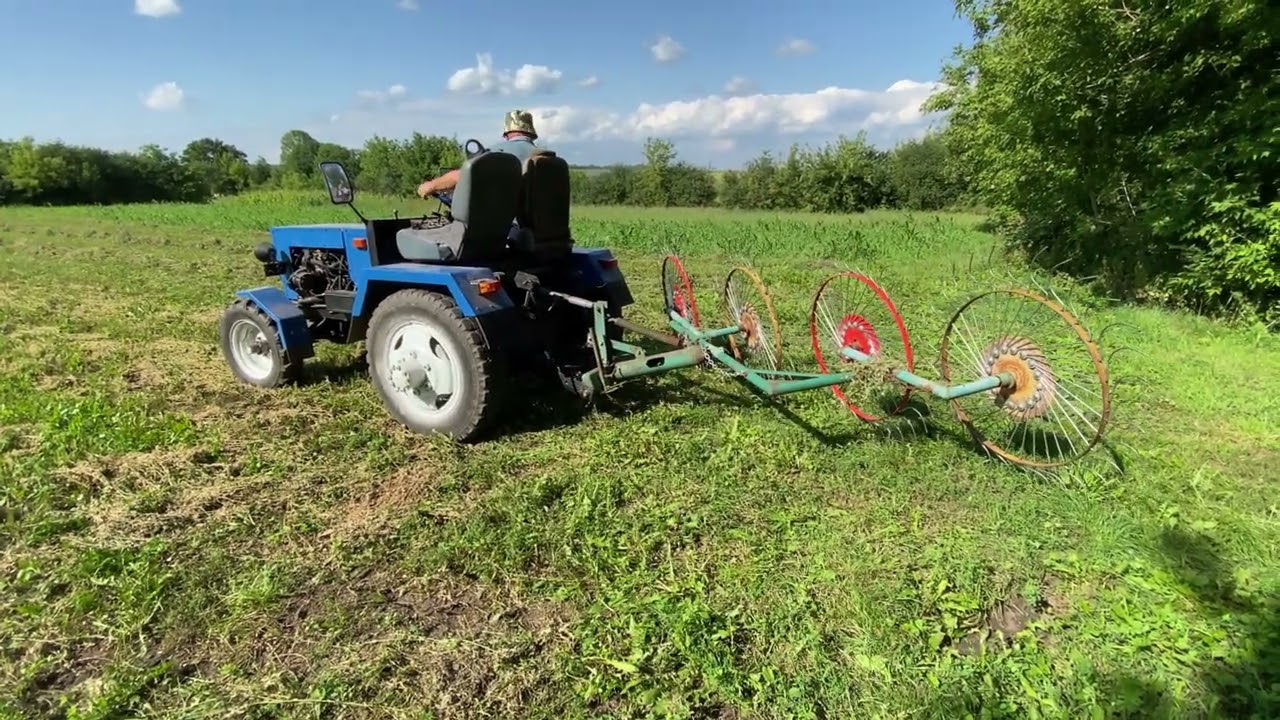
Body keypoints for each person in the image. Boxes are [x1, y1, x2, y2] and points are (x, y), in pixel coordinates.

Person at [416, 110, 543, 199]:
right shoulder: (545, 158)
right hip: (545, 229)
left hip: (508, 227)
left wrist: (430, 186)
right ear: (532, 133)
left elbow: (463, 175)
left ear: (506, 133)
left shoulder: (499, 153)